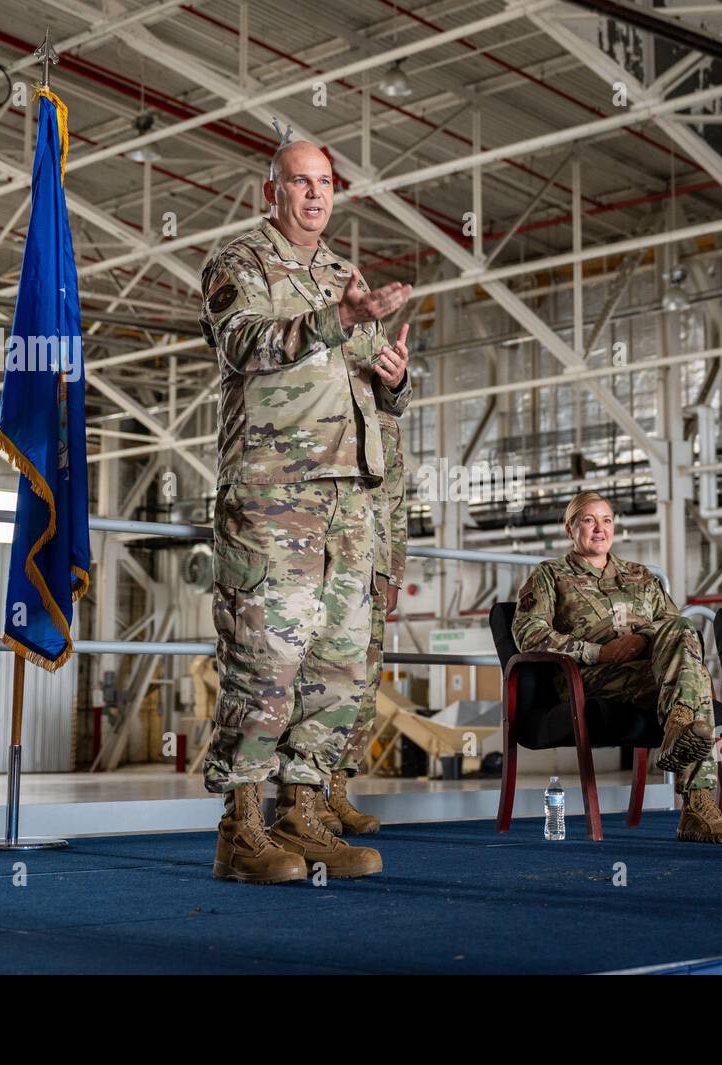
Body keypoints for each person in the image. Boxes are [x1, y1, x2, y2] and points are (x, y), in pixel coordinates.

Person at [197, 136, 412, 884]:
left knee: (339, 664)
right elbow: (245, 343)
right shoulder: (239, 264)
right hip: (271, 495)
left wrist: (392, 380)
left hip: (349, 498)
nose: (316, 195)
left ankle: (304, 811)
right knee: (265, 662)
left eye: (325, 183)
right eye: (300, 182)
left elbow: (358, 386)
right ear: (271, 192)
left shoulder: (338, 272)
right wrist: (334, 318)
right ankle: (241, 828)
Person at [511, 491, 722, 843]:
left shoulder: (640, 576)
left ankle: (680, 724)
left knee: (684, 631)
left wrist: (641, 640)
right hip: (589, 678)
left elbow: (675, 626)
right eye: (588, 520)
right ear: (570, 528)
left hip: (650, 673)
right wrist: (597, 653)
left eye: (606, 520)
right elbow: (529, 634)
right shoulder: (550, 576)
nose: (599, 528)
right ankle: (697, 806)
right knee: (695, 690)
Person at [318, 410, 408, 835]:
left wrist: (394, 571)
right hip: (317, 560)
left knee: (362, 684)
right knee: (310, 680)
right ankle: (302, 793)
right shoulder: (319, 392)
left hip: (371, 567)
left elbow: (395, 502)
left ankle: (337, 790)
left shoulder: (385, 421)